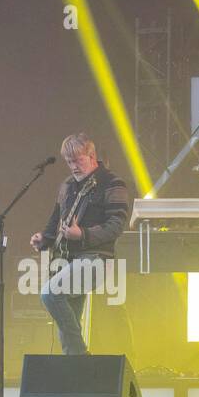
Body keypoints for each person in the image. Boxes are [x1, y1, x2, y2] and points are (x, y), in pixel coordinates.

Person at [29, 133, 131, 355]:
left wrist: (82, 234)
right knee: (68, 324)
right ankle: (75, 364)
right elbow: (56, 217)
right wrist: (44, 239)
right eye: (69, 162)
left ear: (92, 155)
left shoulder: (112, 183)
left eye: (78, 160)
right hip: (67, 260)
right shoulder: (67, 185)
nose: (73, 166)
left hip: (95, 259)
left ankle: (81, 356)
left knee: (50, 294)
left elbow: (116, 226)